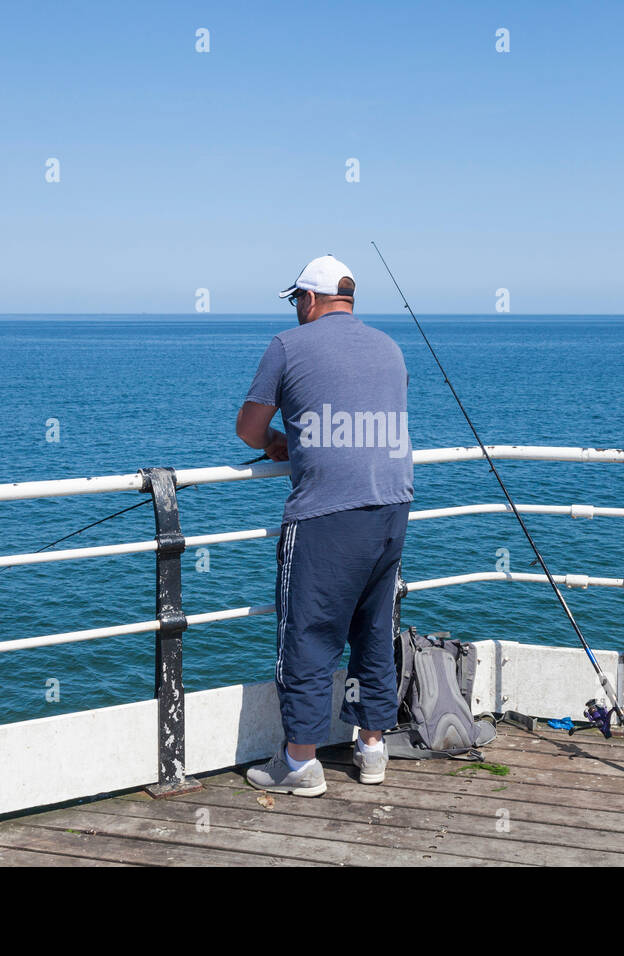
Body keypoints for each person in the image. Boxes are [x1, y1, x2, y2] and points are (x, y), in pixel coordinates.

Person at [235, 254, 413, 796]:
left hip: (325, 514)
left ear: (309, 299)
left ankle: (300, 763)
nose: (295, 310)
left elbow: (248, 429)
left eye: (296, 301)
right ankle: (373, 748)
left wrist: (274, 443)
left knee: (307, 636)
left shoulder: (288, 346)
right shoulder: (389, 347)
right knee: (373, 632)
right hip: (391, 507)